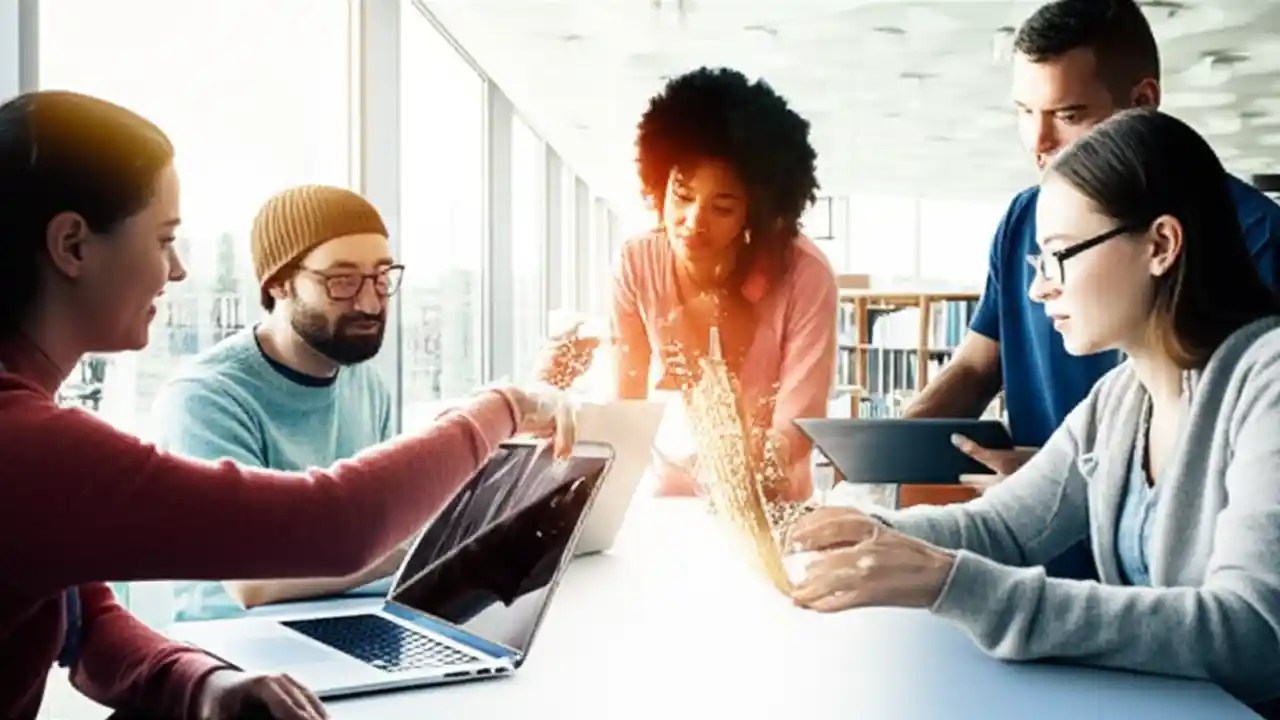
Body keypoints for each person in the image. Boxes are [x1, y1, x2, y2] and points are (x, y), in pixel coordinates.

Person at [0, 90, 574, 720]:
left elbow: (90, 623)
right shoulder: (24, 445)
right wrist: (503, 407)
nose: (179, 269)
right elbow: (336, 525)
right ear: (73, 246)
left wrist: (203, 687)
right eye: (164, 239)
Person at [786, 109, 1280, 718]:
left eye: (1059, 255)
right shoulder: (1120, 400)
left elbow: (1252, 634)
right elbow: (1004, 530)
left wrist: (956, 584)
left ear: (1160, 245)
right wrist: (865, 534)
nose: (1039, 289)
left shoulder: (1269, 382)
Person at [902, 0, 1280, 580]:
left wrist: (1094, 476)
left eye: (1069, 114)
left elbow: (1241, 619)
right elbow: (979, 372)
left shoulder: (1259, 325)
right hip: (1076, 570)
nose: (1039, 142)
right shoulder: (1118, 402)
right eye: (1024, 111)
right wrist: (876, 460)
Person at [150, 185, 407, 620]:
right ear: (279, 284)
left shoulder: (365, 383)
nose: (369, 302)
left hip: (352, 620)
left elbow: (381, 521)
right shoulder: (207, 397)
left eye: (381, 277)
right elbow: (255, 581)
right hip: (236, 653)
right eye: (342, 282)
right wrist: (419, 544)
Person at [609, 66, 838, 502]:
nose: (693, 223)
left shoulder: (806, 275)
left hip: (773, 509)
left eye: (723, 206)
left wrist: (741, 483)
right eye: (683, 196)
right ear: (660, 185)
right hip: (670, 501)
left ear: (755, 211)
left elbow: (800, 422)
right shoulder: (637, 262)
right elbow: (626, 404)